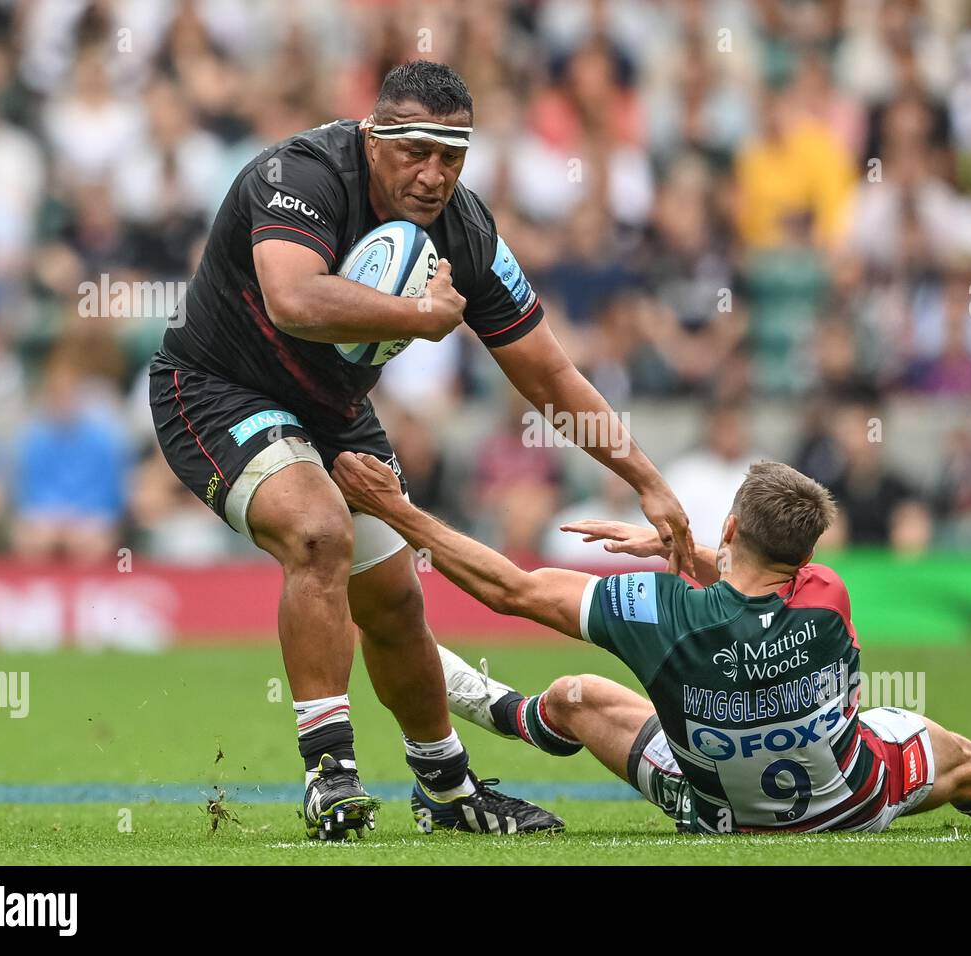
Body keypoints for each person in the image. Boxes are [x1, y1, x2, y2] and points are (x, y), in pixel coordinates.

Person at [147, 60, 692, 839]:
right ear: (372, 137)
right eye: (416, 152)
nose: (435, 175)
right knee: (319, 533)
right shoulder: (298, 174)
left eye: (453, 155)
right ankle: (329, 775)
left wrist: (645, 478)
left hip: (332, 412)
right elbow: (293, 299)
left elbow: (549, 369)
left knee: (398, 604)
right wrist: (412, 314)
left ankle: (446, 787)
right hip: (214, 389)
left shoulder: (467, 230)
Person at [332, 453, 971, 835]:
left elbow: (508, 588)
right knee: (950, 751)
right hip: (851, 804)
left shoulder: (657, 611)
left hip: (713, 813)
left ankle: (483, 704)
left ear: (731, 528)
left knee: (577, 697)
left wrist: (396, 509)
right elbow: (763, 578)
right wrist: (688, 556)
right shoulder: (829, 597)